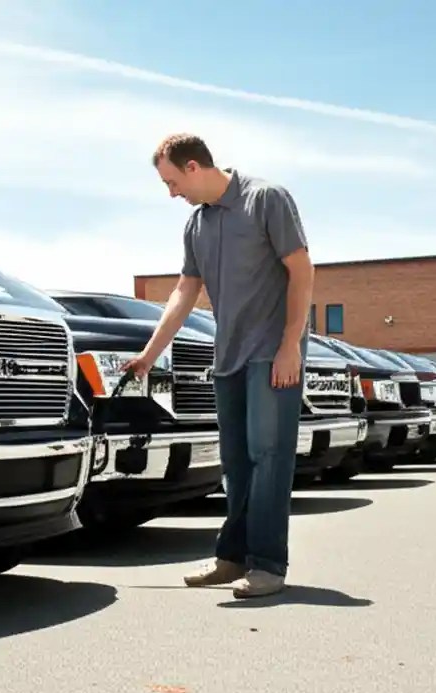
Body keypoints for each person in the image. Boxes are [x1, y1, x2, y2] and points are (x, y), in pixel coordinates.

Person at [122, 133, 314, 599]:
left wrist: (291, 345)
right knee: (235, 463)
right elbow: (185, 291)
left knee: (269, 457)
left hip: (272, 352)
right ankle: (233, 557)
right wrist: (150, 354)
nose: (172, 194)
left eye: (172, 182)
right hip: (227, 357)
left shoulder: (265, 198)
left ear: (193, 168)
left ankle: (268, 565)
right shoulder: (197, 226)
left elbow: (302, 270)